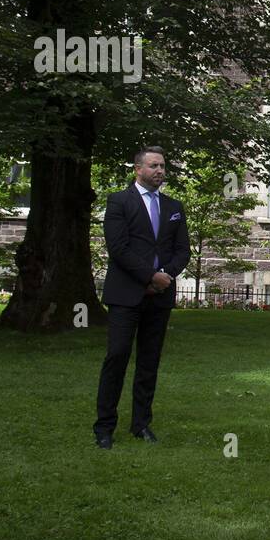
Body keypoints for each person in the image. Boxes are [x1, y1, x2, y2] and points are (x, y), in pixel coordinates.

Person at [94, 146, 191, 448]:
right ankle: (104, 427)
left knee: (149, 362)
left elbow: (182, 250)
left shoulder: (174, 206)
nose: (160, 171)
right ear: (138, 168)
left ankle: (141, 424)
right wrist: (149, 276)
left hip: (159, 297)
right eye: (153, 166)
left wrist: (165, 276)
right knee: (118, 356)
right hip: (126, 294)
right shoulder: (119, 202)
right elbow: (118, 248)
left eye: (163, 166)